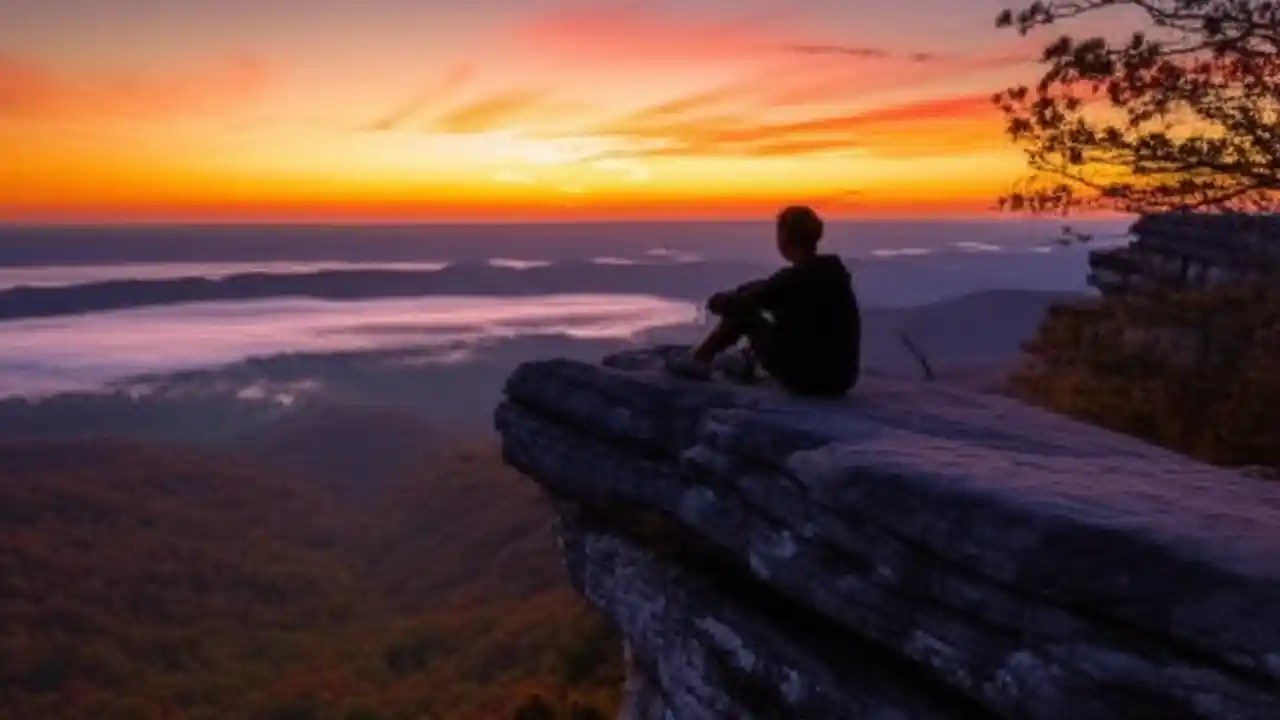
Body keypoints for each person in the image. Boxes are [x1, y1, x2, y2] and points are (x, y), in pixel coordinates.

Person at [667, 206, 861, 397]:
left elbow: (744, 302)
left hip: (806, 380)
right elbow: (765, 290)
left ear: (785, 238)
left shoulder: (795, 279)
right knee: (769, 315)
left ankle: (699, 361)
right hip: (841, 380)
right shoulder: (831, 275)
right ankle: (745, 360)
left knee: (745, 315)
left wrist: (719, 301)